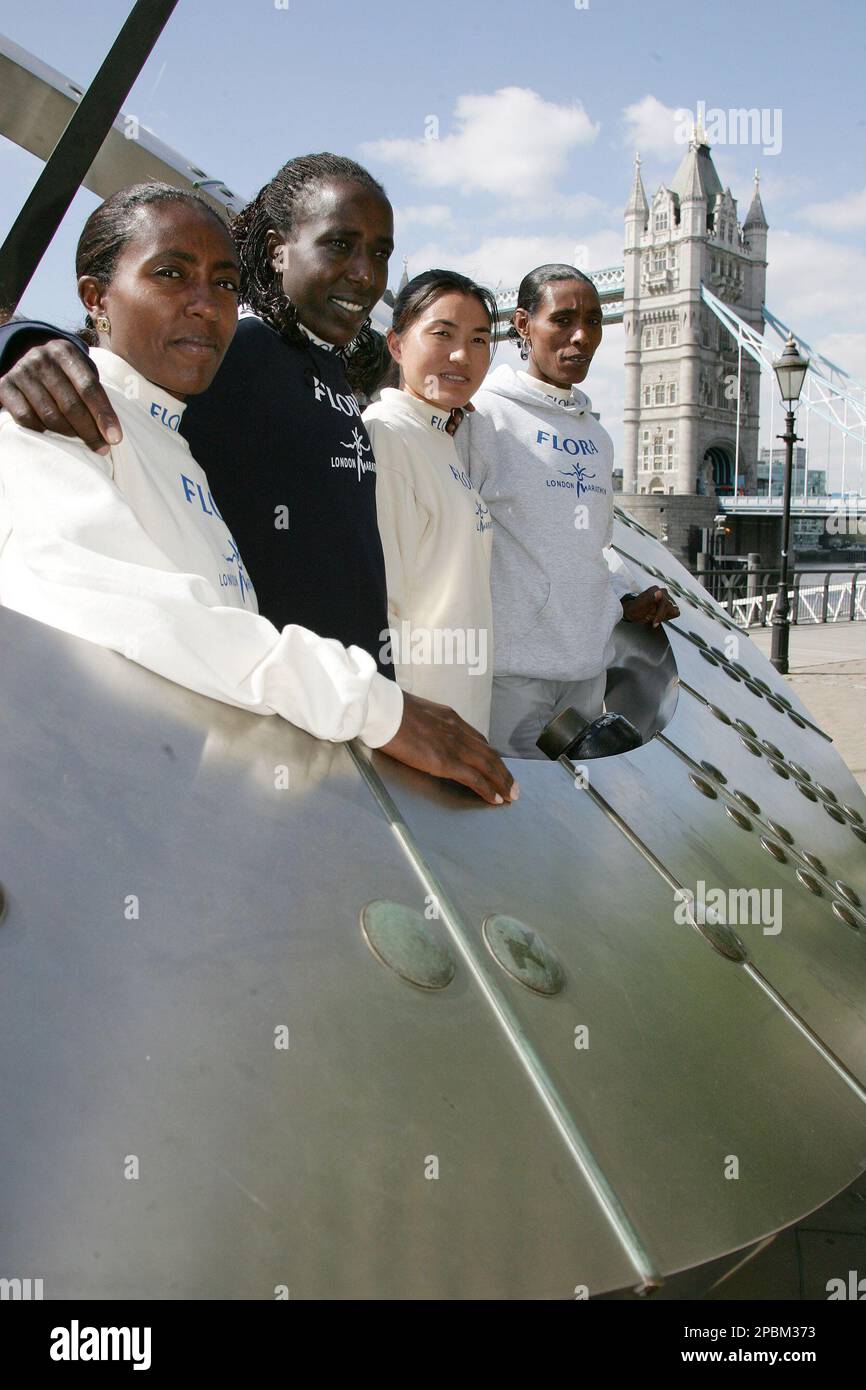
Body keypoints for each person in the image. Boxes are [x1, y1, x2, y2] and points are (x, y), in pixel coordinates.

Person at [0, 183, 516, 805]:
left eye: (222, 284)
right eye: (170, 274)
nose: (204, 305)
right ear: (95, 296)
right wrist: (376, 706)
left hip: (250, 760)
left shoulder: (177, 430)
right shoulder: (65, 419)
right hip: (106, 797)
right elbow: (151, 613)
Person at [455, 263, 679, 758]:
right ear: (522, 325)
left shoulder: (597, 437)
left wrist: (629, 594)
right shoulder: (481, 416)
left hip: (587, 670)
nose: (581, 337)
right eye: (563, 320)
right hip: (508, 673)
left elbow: (595, 545)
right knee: (506, 817)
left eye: (595, 321)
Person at [363, 270, 495, 736]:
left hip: (459, 706)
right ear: (396, 344)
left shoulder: (439, 434)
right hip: (422, 719)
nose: (463, 355)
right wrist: (403, 720)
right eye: (443, 334)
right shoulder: (389, 435)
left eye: (480, 340)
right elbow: (384, 602)